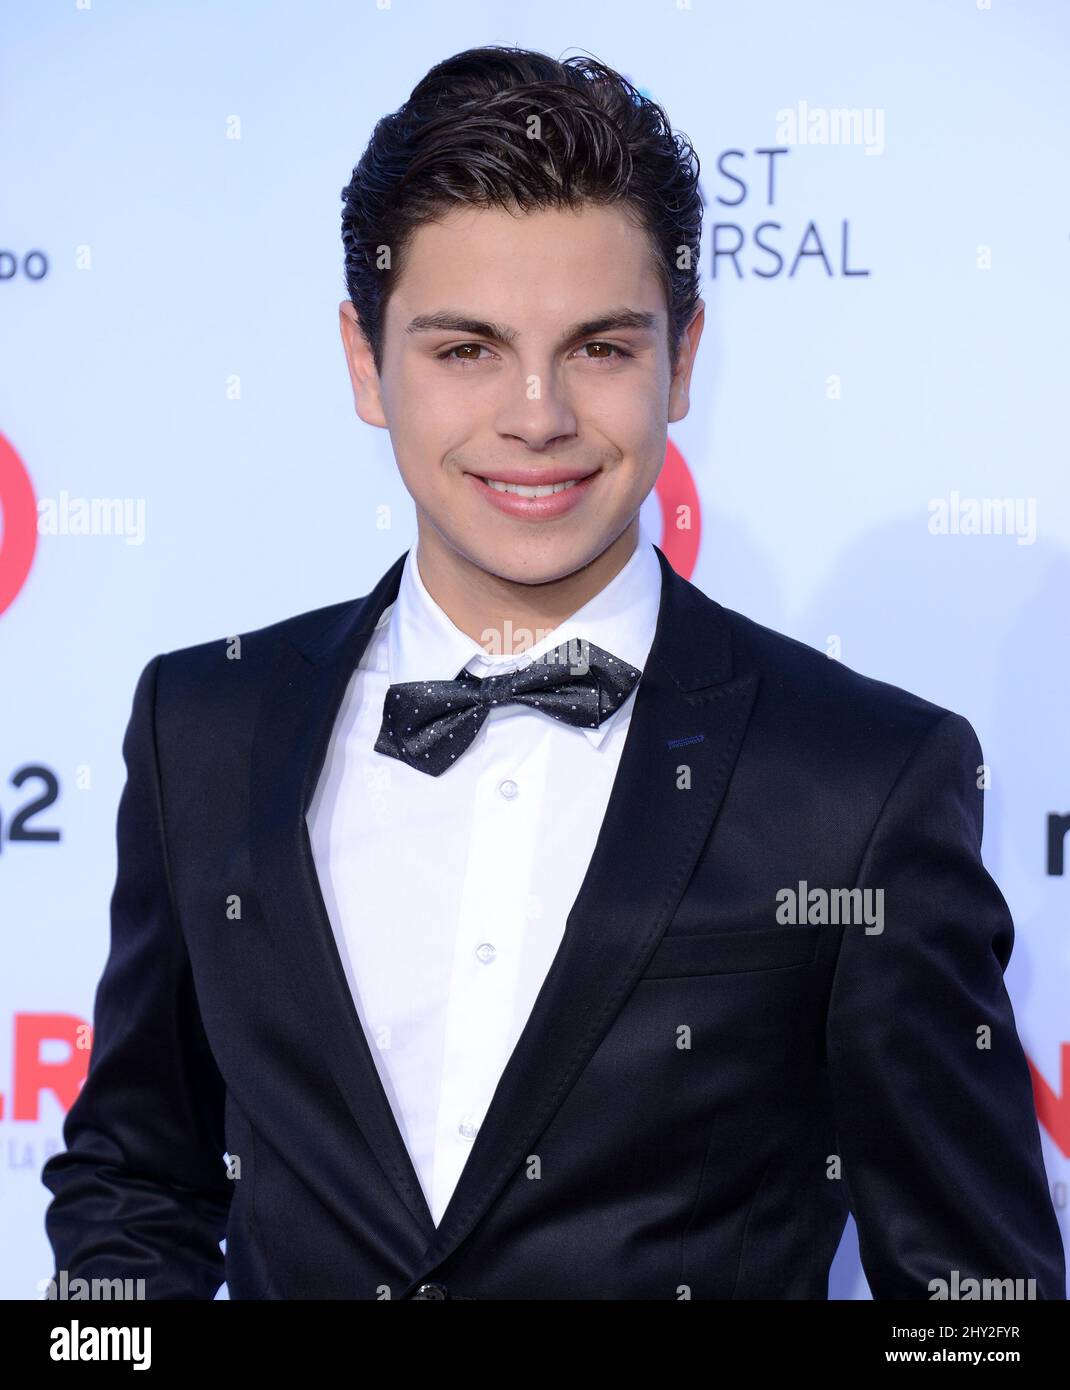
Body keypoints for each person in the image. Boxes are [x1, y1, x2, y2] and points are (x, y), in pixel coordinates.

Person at [42, 44, 1065, 1301]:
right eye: (465, 349)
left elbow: (975, 1299)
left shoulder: (859, 782)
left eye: (597, 348)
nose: (535, 415)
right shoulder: (199, 725)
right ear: (366, 364)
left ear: (682, 360)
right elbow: (137, 1181)